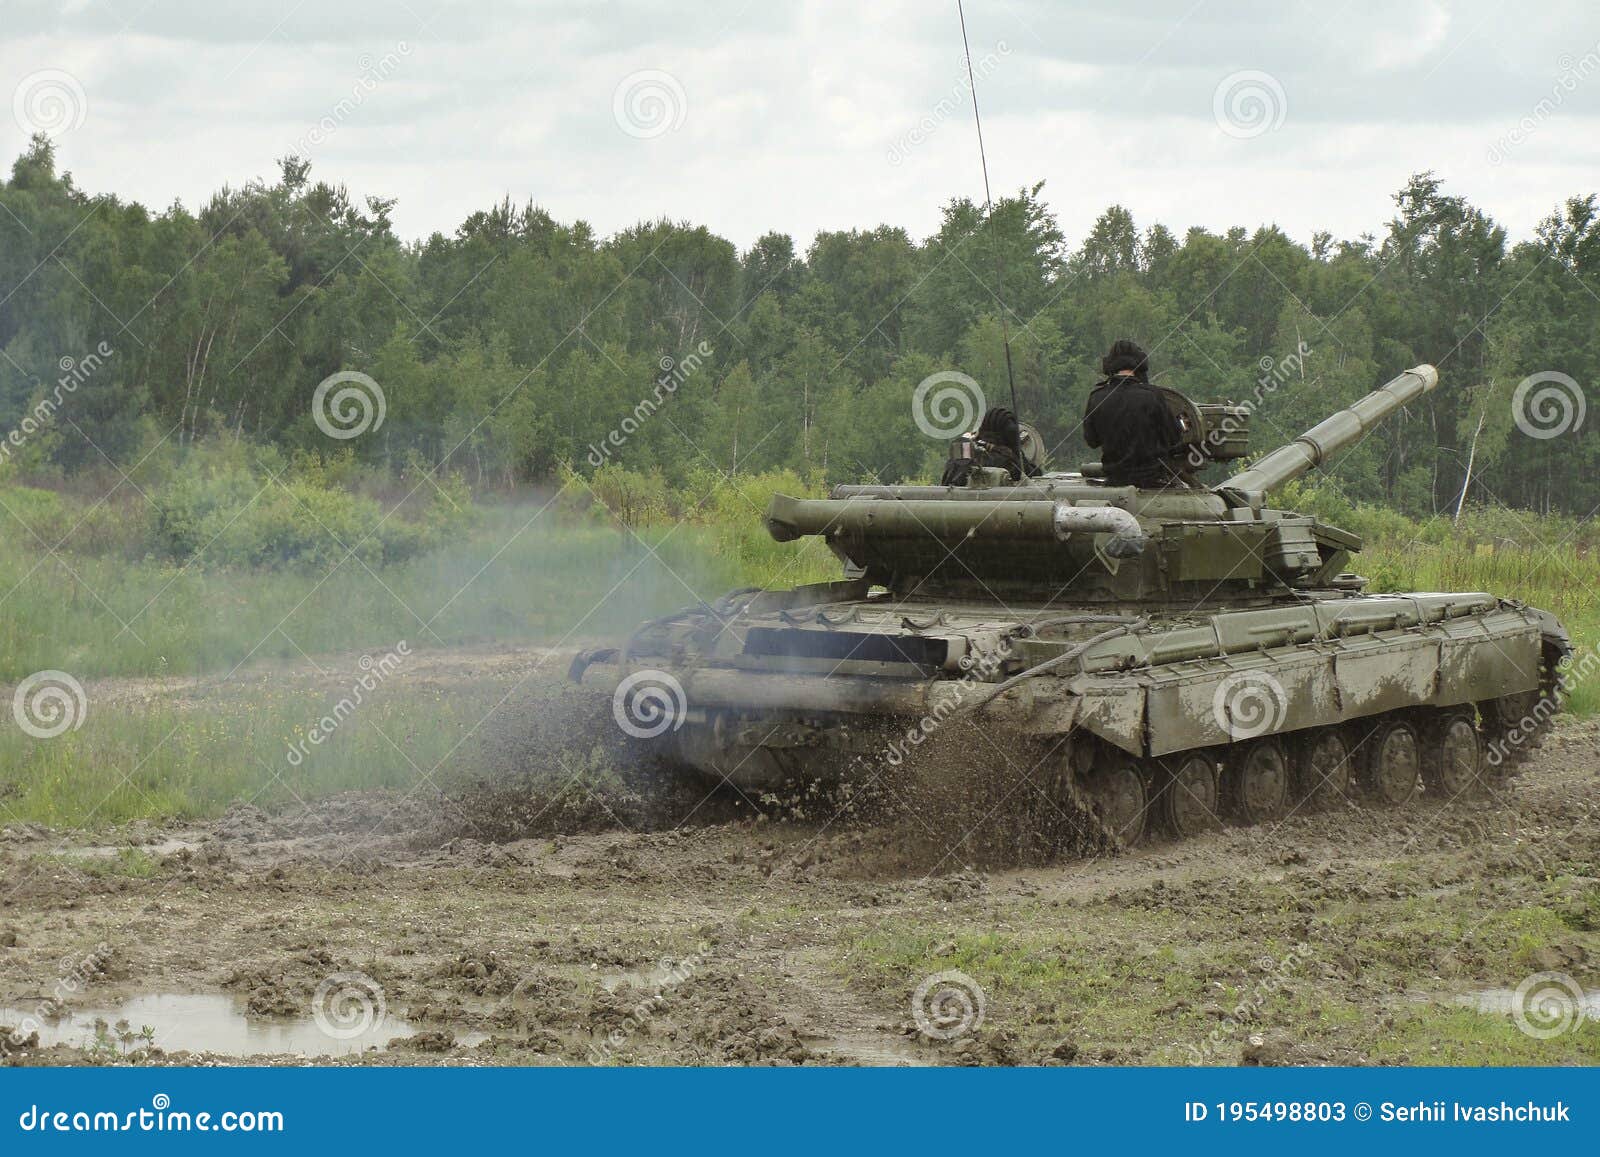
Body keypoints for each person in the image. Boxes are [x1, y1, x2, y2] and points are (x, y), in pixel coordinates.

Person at [1083, 339, 1184, 487]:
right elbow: (1173, 437)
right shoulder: (1152, 396)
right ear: (1140, 367)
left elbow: (1092, 441)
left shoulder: (1097, 397)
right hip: (1151, 480)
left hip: (1115, 480)